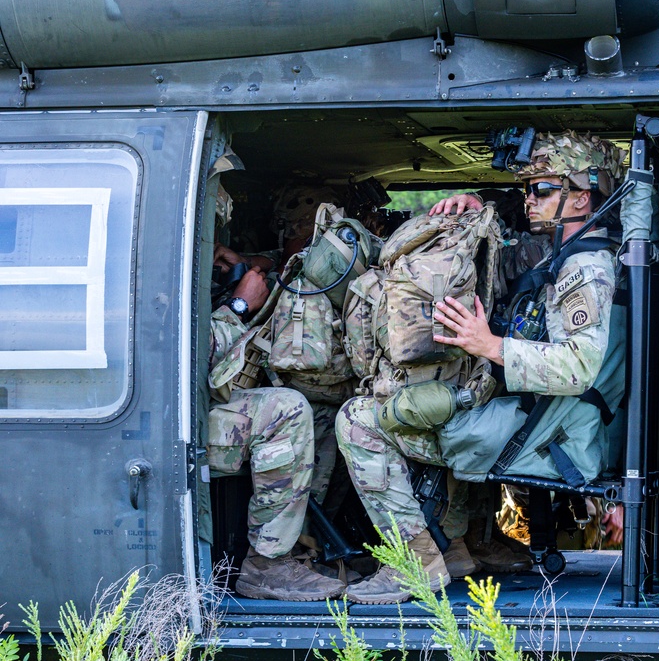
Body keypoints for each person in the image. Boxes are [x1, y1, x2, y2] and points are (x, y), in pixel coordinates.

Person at [336, 130, 626, 605]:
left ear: (582, 198)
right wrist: (477, 212)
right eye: (526, 189)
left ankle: (414, 564)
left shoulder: (585, 269)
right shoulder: (578, 252)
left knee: (359, 419)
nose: (529, 199)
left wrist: (489, 345)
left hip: (548, 434)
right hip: (549, 420)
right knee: (448, 390)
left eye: (542, 189)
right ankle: (457, 547)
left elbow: (578, 367)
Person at [205, 184, 348, 601]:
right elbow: (188, 353)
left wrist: (250, 263)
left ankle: (299, 548)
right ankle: (266, 565)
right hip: (175, 422)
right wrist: (238, 306)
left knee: (325, 414)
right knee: (287, 408)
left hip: (202, 403)